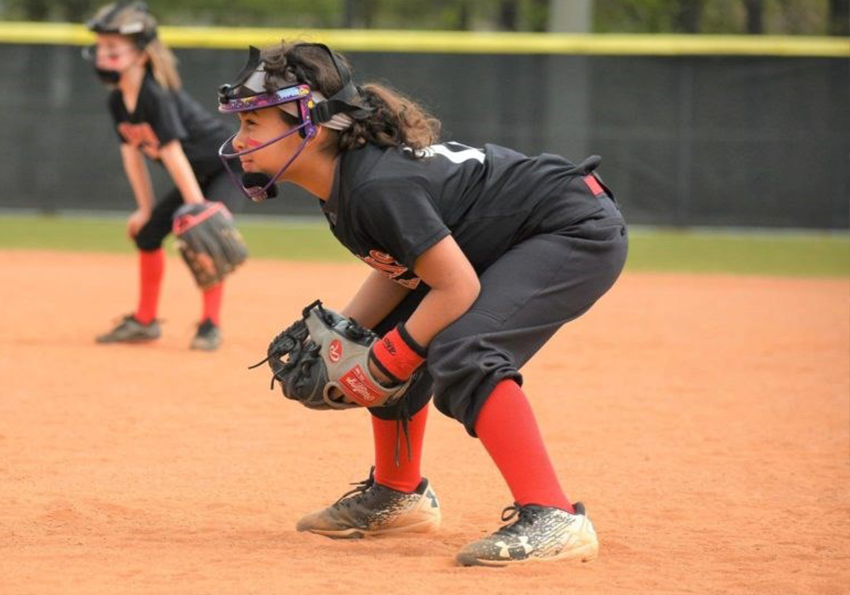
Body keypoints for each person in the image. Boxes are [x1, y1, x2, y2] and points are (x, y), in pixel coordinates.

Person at [216, 42, 628, 566]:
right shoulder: (346, 184)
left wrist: (391, 357)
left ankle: (554, 515)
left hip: (571, 227)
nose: (239, 139)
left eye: (253, 123)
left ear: (308, 126)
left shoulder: (374, 186)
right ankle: (398, 494)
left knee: (465, 348)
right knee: (382, 339)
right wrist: (348, 331)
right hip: (515, 235)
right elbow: (403, 268)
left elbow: (456, 287)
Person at [86, 1, 240, 350]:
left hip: (225, 165)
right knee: (148, 235)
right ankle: (145, 322)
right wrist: (145, 210)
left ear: (141, 55)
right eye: (100, 47)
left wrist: (197, 210)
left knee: (204, 238)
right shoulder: (117, 102)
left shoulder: (155, 96)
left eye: (113, 49)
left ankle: (210, 326)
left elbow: (172, 154)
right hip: (193, 171)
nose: (102, 55)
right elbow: (132, 158)